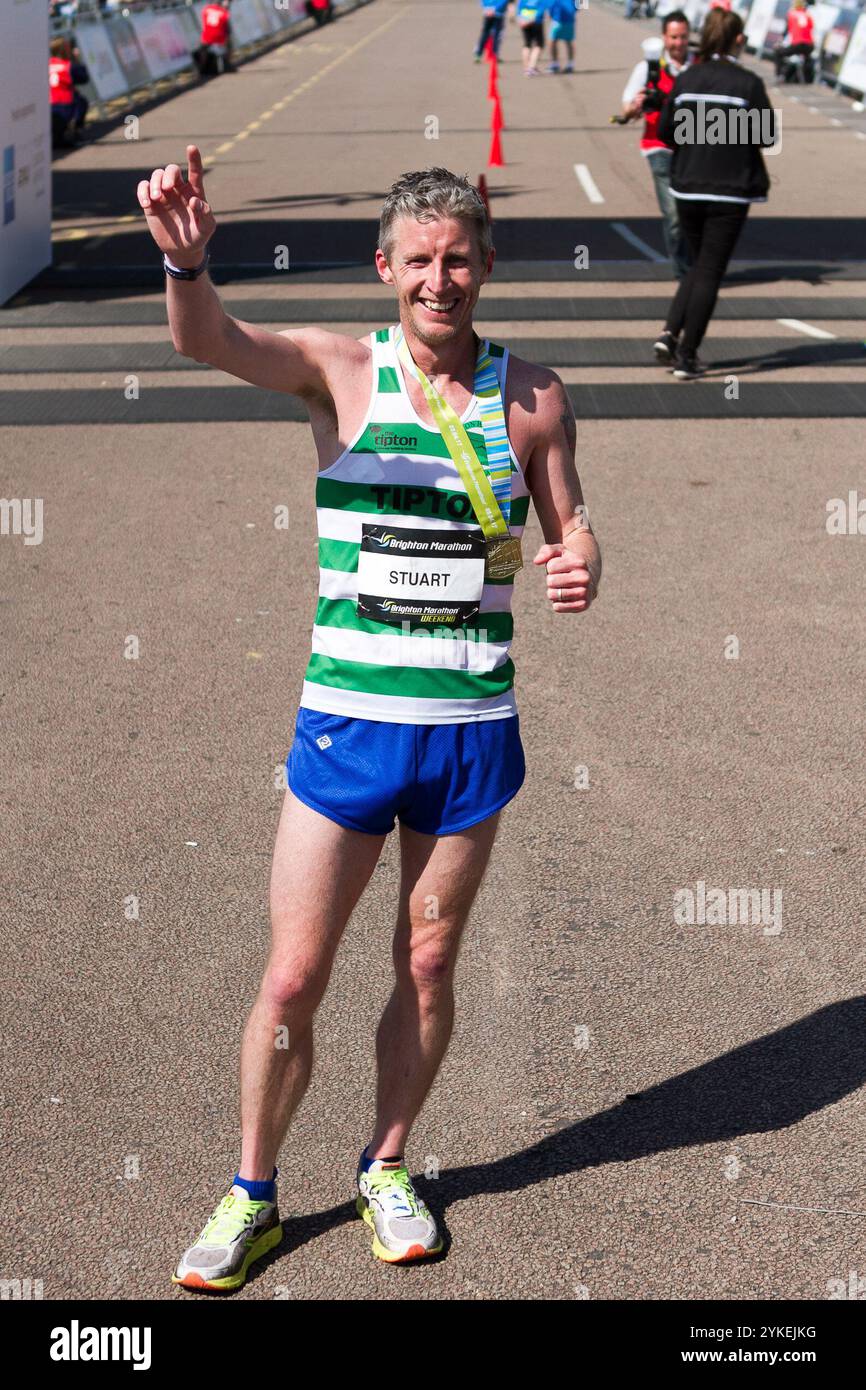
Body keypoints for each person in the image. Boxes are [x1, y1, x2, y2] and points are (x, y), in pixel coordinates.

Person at [136, 150, 601, 1289]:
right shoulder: (339, 371)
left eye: (457, 260)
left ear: (486, 265)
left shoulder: (533, 396)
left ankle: (386, 1164)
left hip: (468, 735)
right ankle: (250, 1191)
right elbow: (209, 342)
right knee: (294, 979)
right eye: (417, 261)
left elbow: (572, 521)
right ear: (383, 267)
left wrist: (578, 557)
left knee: (428, 959)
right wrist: (186, 260)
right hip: (347, 731)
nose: (437, 280)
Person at [654, 8, 776, 378]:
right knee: (709, 270)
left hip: (688, 185)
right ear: (738, 40)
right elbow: (767, 136)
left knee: (697, 264)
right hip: (731, 190)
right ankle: (687, 356)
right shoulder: (749, 83)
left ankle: (670, 333)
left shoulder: (688, 77)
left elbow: (665, 131)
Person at [621, 12, 693, 281]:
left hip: (693, 148)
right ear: (664, 37)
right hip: (658, 146)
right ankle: (685, 274)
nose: (679, 43)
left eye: (684, 37)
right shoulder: (648, 69)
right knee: (674, 214)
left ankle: (695, 267)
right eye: (674, 37)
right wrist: (635, 106)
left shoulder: (697, 65)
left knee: (694, 212)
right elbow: (626, 109)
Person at [49, 36, 90, 147]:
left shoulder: (47, 64)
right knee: (82, 103)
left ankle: (61, 135)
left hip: (49, 101)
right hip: (65, 102)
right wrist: (76, 60)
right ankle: (76, 131)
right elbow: (84, 78)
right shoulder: (68, 65)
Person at [773, 0, 814, 82]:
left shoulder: (791, 14)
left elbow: (786, 30)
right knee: (806, 58)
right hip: (810, 45)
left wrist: (779, 42)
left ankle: (780, 75)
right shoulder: (807, 15)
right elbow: (810, 28)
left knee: (778, 52)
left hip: (798, 44)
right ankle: (807, 78)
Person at [198, 1, 233, 75]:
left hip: (206, 37)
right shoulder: (223, 12)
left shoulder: (206, 9)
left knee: (203, 46)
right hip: (219, 37)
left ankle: (203, 69)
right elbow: (226, 27)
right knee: (228, 43)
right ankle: (227, 64)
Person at [514, 0, 547, 76]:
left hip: (524, 21)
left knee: (527, 44)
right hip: (535, 22)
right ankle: (531, 67)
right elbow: (542, 8)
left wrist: (521, 19)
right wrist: (531, 19)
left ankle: (526, 68)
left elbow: (520, 8)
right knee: (539, 45)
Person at [547, 0, 577, 73]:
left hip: (560, 19)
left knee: (553, 41)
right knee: (567, 41)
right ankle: (567, 64)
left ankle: (558, 64)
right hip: (565, 18)